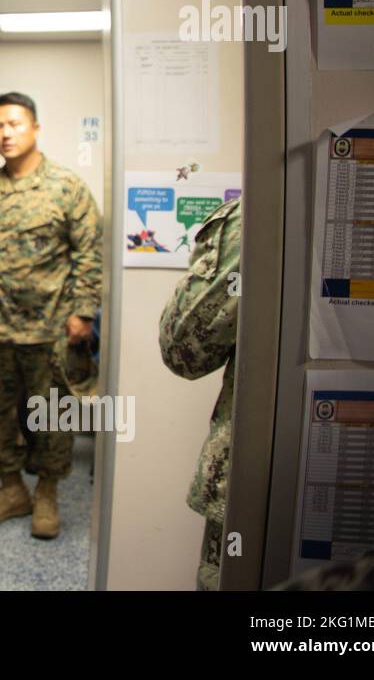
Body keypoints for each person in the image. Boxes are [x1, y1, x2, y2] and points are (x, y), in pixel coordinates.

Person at [0, 93, 102, 538]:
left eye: (14, 124)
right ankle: (12, 490)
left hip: (51, 331)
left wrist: (83, 312)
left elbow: (89, 252)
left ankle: (47, 495)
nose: (5, 133)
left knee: (52, 418)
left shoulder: (66, 187)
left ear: (35, 127)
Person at [159, 196, 241, 590]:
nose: (5, 130)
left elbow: (183, 350)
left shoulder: (266, 208)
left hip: (257, 476)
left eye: (13, 124)